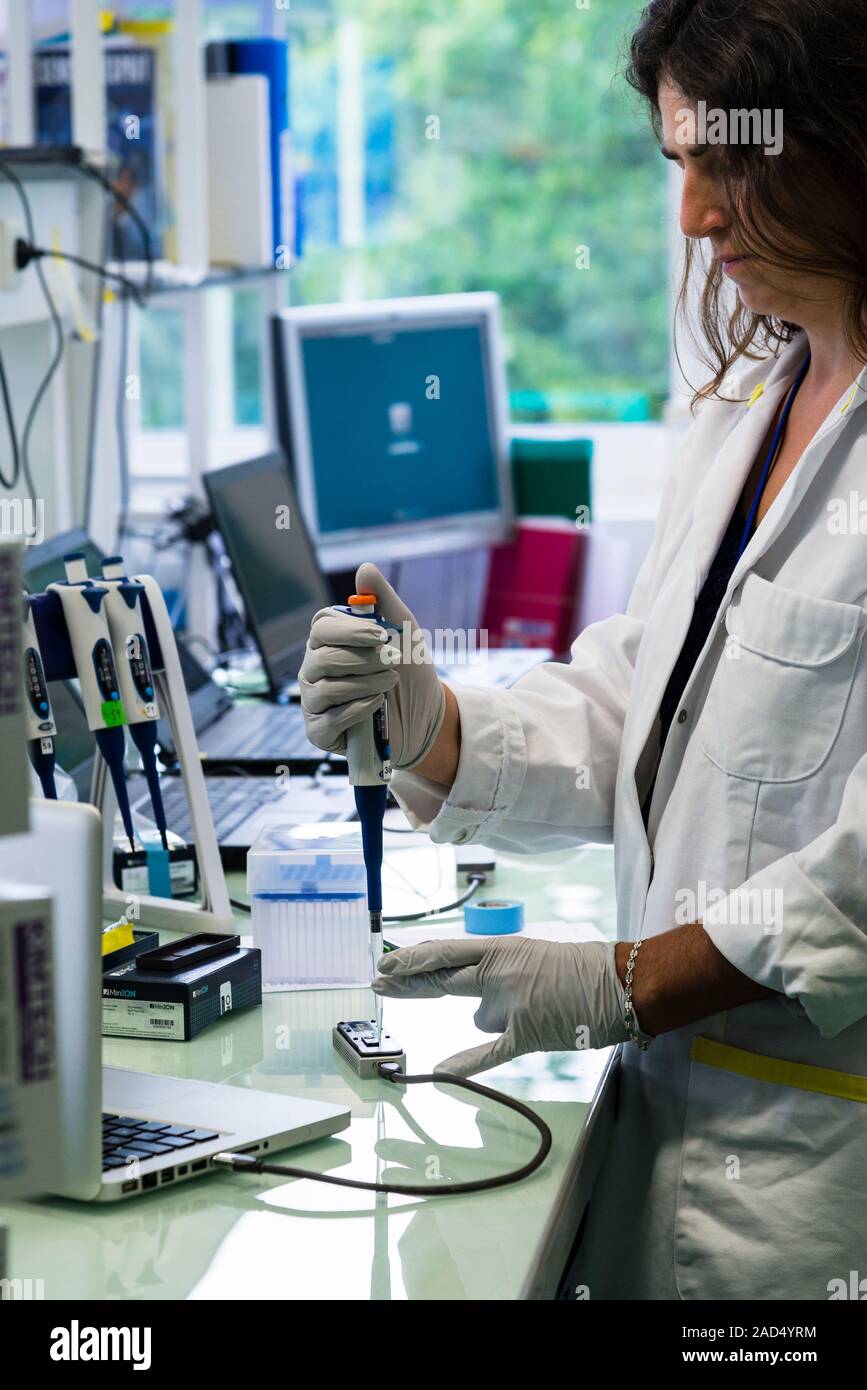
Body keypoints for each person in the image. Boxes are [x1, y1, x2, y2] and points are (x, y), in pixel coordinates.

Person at [299, 0, 867, 1300]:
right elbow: (649, 689)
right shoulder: (751, 396)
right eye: (680, 165)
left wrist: (627, 981)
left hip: (816, 1185)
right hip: (667, 1136)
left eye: (733, 162)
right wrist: (436, 719)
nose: (697, 218)